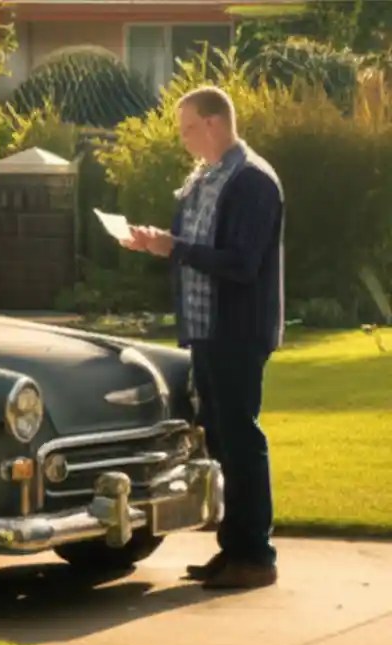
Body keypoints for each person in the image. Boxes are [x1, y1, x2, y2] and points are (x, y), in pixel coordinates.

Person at [124, 85, 284, 590]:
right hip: (206, 331)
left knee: (241, 439)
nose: (183, 138)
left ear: (214, 123)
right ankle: (233, 550)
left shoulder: (252, 180)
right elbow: (193, 247)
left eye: (188, 128)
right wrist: (161, 244)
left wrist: (176, 248)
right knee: (218, 438)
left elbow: (241, 263)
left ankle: (256, 555)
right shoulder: (206, 177)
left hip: (237, 330)